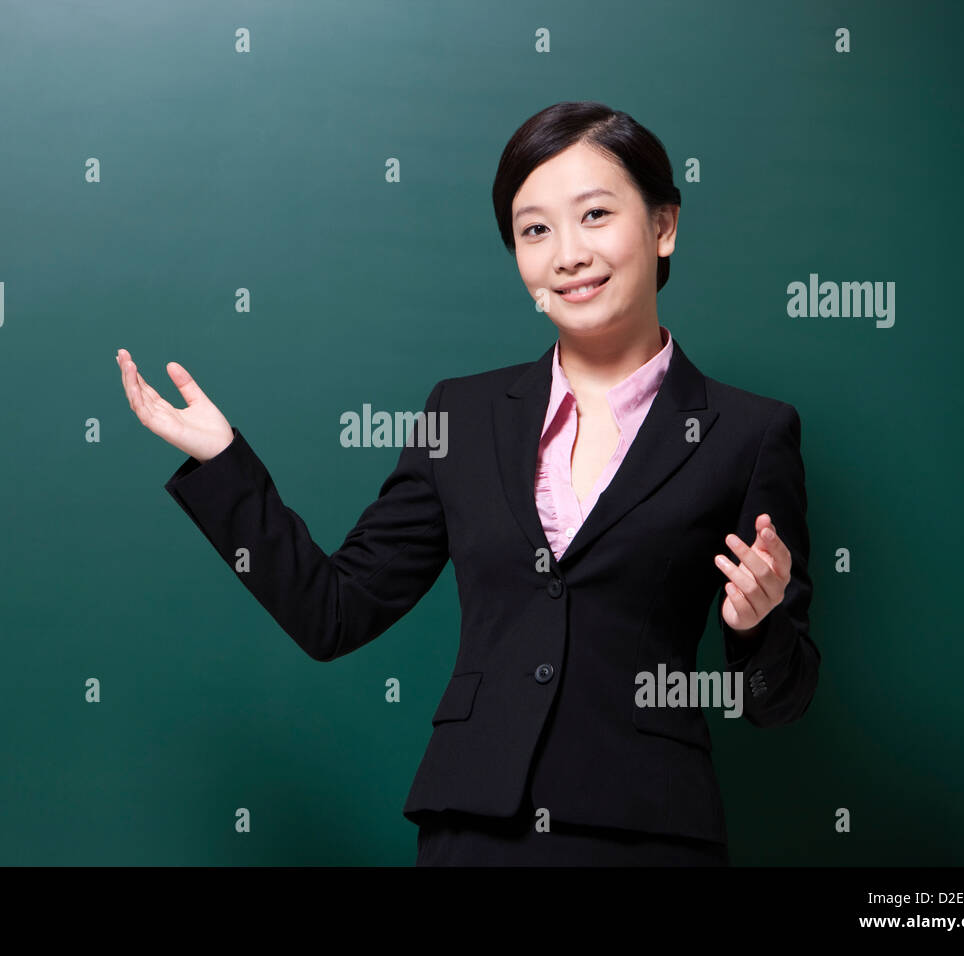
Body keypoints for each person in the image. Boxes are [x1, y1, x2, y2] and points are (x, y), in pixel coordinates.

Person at [116, 101, 820, 866]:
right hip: (475, 830)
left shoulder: (750, 432)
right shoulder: (463, 413)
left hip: (649, 830)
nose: (568, 254)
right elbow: (335, 613)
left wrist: (759, 622)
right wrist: (225, 463)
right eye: (535, 230)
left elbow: (774, 703)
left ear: (662, 227)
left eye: (594, 215)